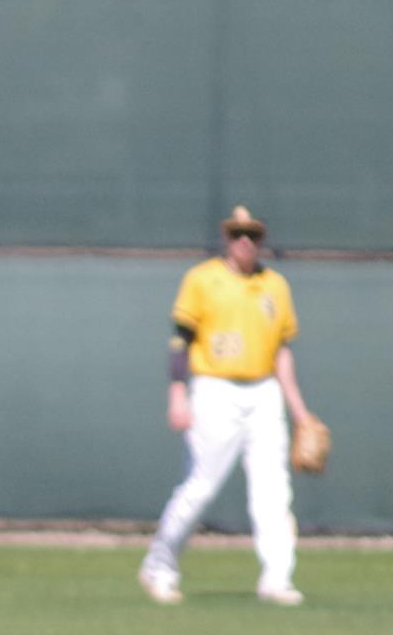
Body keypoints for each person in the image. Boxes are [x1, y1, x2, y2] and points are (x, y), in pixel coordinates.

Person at [138, 205, 321, 607]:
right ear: (226, 237)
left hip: (264, 391)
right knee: (200, 488)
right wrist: (177, 394)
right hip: (214, 388)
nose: (245, 240)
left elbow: (281, 353)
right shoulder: (203, 279)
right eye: (238, 233)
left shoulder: (275, 286)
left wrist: (300, 411)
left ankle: (277, 578)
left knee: (273, 492)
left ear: (261, 240)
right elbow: (179, 341)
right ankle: (159, 566)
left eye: (252, 234)